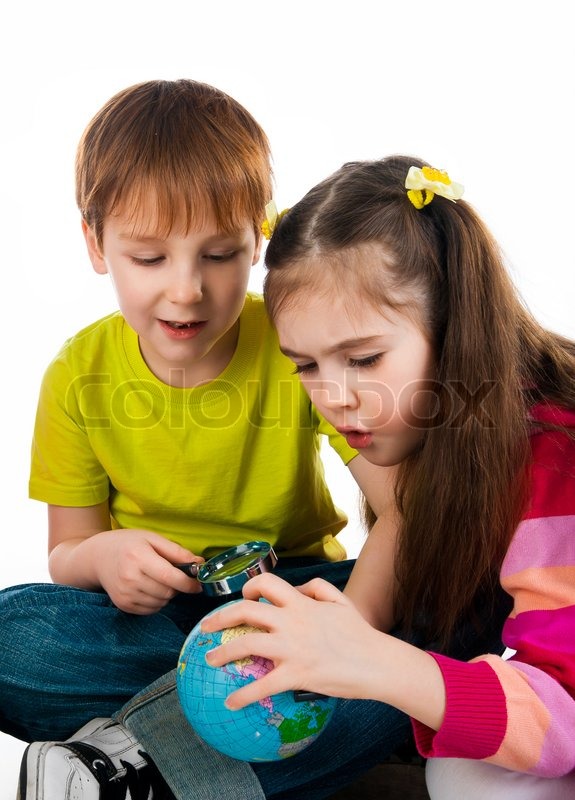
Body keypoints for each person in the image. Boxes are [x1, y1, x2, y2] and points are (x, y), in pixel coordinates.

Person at [2, 79, 399, 800]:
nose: (186, 290)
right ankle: (240, 744)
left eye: (218, 254)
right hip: (155, 625)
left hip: (296, 600)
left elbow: (403, 508)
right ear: (95, 243)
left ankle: (131, 764)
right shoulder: (77, 375)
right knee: (13, 633)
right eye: (149, 259)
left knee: (445, 602)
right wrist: (105, 556)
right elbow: (68, 553)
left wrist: (347, 635)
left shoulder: (293, 341)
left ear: (260, 238)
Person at [202, 155, 575, 799]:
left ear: (453, 328)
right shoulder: (431, 424)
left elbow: (563, 718)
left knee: (469, 781)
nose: (333, 397)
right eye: (305, 366)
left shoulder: (552, 455)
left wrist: (374, 661)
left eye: (364, 358)